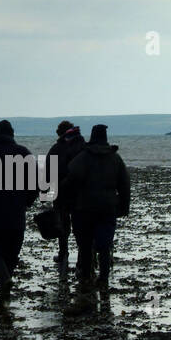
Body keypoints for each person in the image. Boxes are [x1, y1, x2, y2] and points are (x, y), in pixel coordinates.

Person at [0, 120, 39, 305]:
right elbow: (35, 185)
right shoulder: (24, 153)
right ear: (12, 134)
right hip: (16, 212)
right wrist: (27, 202)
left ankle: (4, 280)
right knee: (12, 252)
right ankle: (6, 284)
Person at [64, 124, 130, 296]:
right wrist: (124, 207)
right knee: (105, 244)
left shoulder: (82, 158)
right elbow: (125, 185)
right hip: (108, 207)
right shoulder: (115, 159)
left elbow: (70, 180)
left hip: (83, 208)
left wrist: (62, 201)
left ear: (91, 137)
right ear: (106, 138)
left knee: (85, 244)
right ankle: (104, 278)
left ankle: (86, 276)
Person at [46, 121, 86, 270]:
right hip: (78, 193)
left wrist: (47, 192)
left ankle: (63, 253)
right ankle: (82, 256)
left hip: (60, 192)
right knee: (80, 227)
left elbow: (48, 172)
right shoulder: (82, 148)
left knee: (63, 226)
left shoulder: (55, 149)